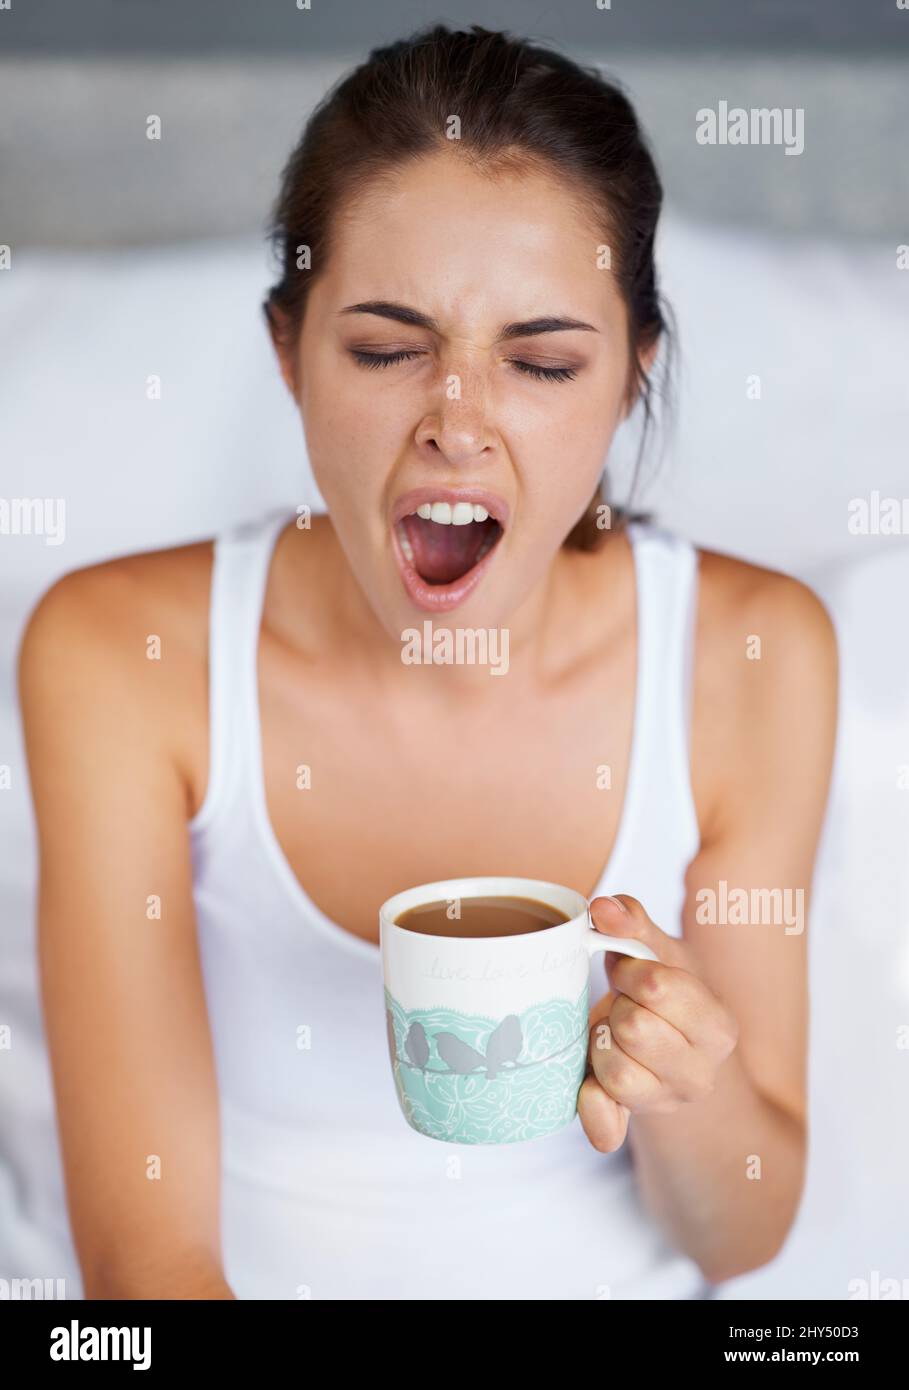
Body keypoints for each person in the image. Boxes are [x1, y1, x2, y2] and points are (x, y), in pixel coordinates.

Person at [19, 24, 837, 1300]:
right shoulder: (119, 655)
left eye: (544, 362)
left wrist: (683, 1083)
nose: (457, 423)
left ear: (630, 383)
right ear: (288, 358)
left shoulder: (756, 660)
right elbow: (147, 1260)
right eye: (389, 350)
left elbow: (739, 1238)